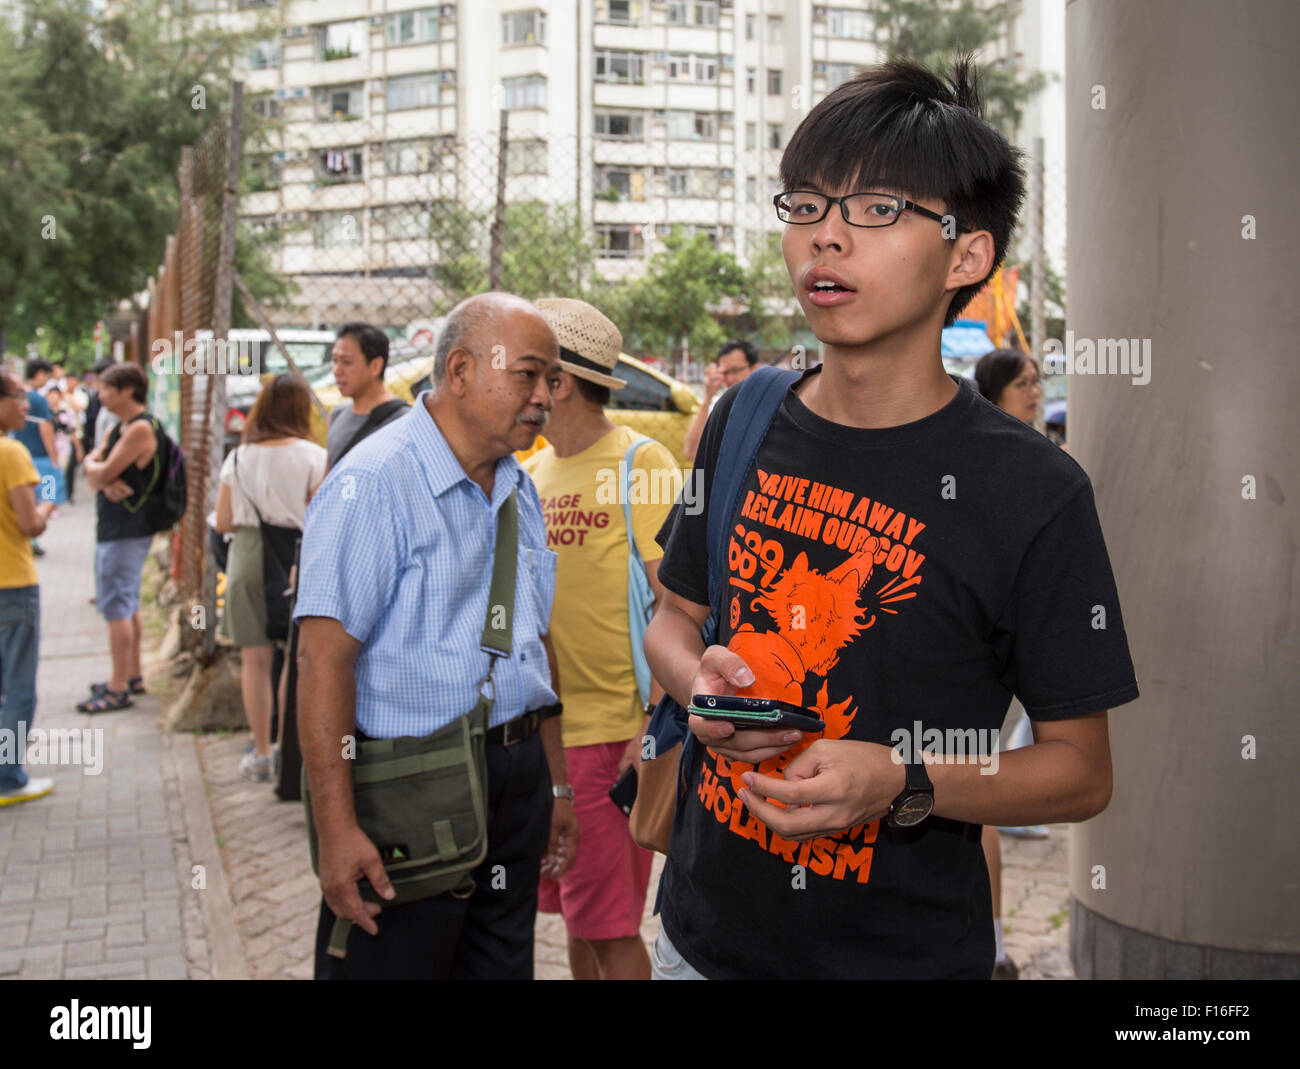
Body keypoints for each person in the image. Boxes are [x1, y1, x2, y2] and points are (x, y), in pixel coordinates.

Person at [643, 56, 1139, 980]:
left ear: (967, 256)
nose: (825, 238)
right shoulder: (742, 418)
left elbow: (1080, 769)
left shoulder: (1034, 490)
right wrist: (702, 690)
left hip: (904, 954)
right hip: (698, 942)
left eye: (874, 209)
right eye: (806, 205)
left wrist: (902, 781)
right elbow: (673, 622)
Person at [295, 291, 579, 979]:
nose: (544, 396)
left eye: (553, 380)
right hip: (409, 788)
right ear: (458, 370)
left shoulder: (519, 487)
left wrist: (558, 788)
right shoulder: (374, 482)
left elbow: (532, 646)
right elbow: (322, 660)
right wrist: (336, 830)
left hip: (514, 784)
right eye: (528, 374)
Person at [524, 298, 675, 981]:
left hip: (614, 733)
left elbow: (677, 608)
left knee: (609, 928)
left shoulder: (642, 464)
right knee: (576, 922)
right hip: (547, 739)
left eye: (529, 371)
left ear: (559, 382)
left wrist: (651, 734)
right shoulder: (528, 475)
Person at [215, 375, 326, 783]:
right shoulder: (315, 456)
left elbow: (224, 520)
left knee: (255, 660)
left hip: (247, 556)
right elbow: (320, 518)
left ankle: (259, 752)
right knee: (294, 659)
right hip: (299, 559)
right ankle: (284, 749)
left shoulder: (239, 457)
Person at [80, 363, 161, 713]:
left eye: (106, 388)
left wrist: (97, 470)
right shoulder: (121, 428)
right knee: (125, 604)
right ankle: (131, 674)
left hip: (125, 531)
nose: (100, 395)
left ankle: (118, 687)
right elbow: (91, 466)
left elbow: (101, 469)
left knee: (116, 606)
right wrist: (95, 470)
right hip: (118, 529)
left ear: (127, 390)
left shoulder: (138, 429)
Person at [0, 370, 57, 806]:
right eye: (20, 397)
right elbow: (28, 523)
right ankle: (8, 777)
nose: (28, 405)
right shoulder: (12, 452)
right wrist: (48, 505)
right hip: (12, 584)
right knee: (18, 687)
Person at [324, 322, 407, 470]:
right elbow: (328, 479)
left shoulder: (404, 420)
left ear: (376, 366)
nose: (337, 370)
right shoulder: (337, 414)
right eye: (335, 361)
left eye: (346, 362)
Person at [11, 361, 65, 550]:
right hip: (41, 458)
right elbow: (46, 430)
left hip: (23, 456)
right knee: (48, 498)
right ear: (40, 374)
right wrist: (54, 458)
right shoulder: (39, 400)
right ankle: (32, 537)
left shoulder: (20, 398)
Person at [682, 339, 757, 462]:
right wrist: (708, 397)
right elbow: (690, 452)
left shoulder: (771, 403)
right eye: (725, 373)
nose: (731, 378)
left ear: (755, 369)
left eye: (736, 370)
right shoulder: (720, 406)